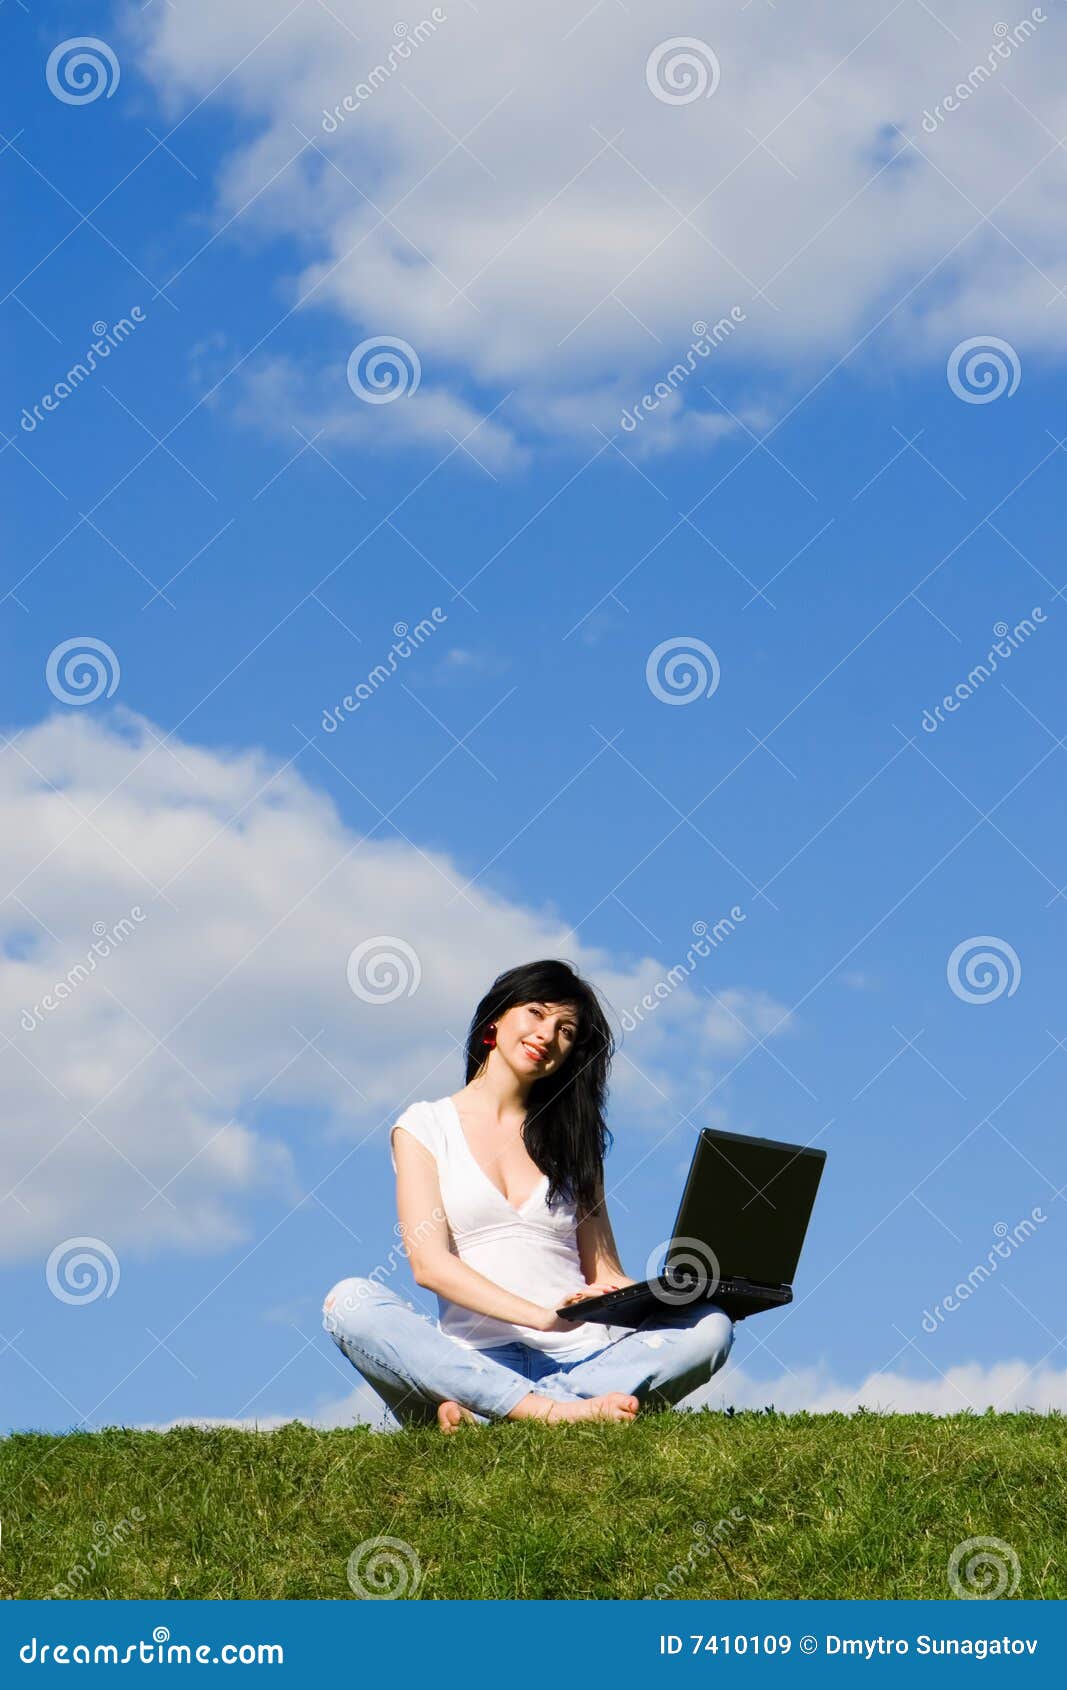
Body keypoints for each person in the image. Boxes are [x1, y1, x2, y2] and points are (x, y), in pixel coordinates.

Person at [322, 959, 734, 1431]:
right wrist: (540, 1317)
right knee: (349, 1302)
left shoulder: (575, 1142)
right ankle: (547, 1413)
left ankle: (506, 1414)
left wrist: (675, 1291)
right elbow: (429, 1265)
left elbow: (606, 1273)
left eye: (566, 1030)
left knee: (712, 1326)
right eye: (536, 1012)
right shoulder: (424, 1126)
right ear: (496, 1017)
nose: (548, 1034)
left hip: (584, 1358)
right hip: (474, 1361)